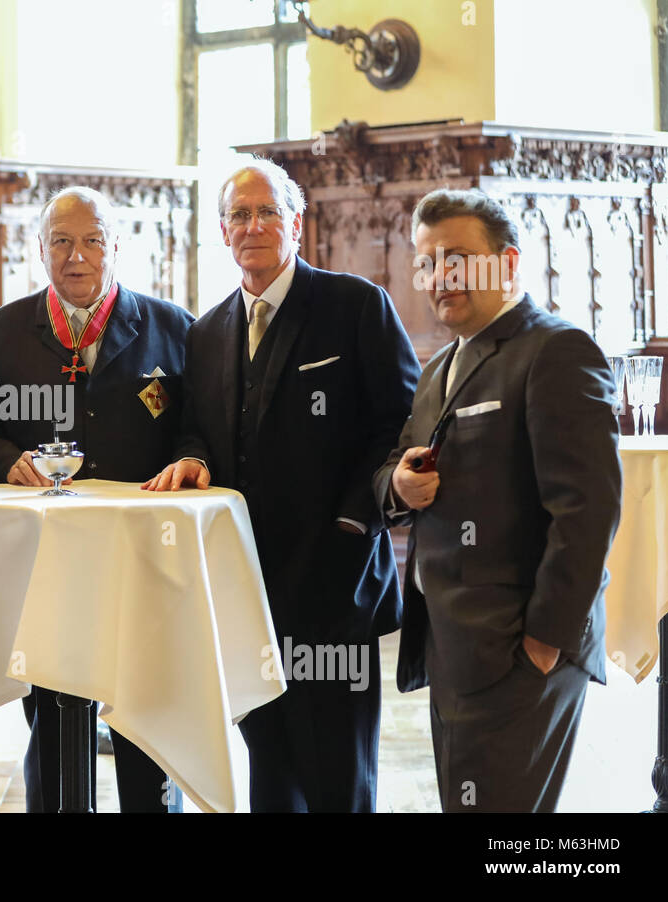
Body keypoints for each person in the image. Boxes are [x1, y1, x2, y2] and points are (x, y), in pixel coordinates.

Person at [145, 159, 419, 813]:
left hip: (333, 585)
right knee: (269, 770)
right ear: (221, 231)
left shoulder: (354, 305)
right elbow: (196, 430)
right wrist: (192, 458)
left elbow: (400, 422)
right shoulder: (206, 330)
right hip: (241, 590)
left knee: (336, 779)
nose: (254, 225)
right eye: (239, 214)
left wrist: (355, 522)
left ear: (296, 221)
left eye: (267, 211)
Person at [374, 188, 621, 812]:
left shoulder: (555, 351)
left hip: (518, 651)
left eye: (456, 258)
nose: (437, 277)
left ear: (506, 264)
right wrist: (398, 485)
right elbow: (394, 468)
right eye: (426, 262)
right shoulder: (439, 369)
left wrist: (544, 643)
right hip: (452, 646)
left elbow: (588, 512)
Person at [0, 186, 193, 813]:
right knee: (54, 718)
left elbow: (201, 429)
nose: (76, 255)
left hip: (143, 562)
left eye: (91, 240)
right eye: (61, 241)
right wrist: (7, 461)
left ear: (115, 246)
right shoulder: (1, 334)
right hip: (45, 566)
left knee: (144, 717)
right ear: (39, 250)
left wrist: (193, 458)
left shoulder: (174, 329)